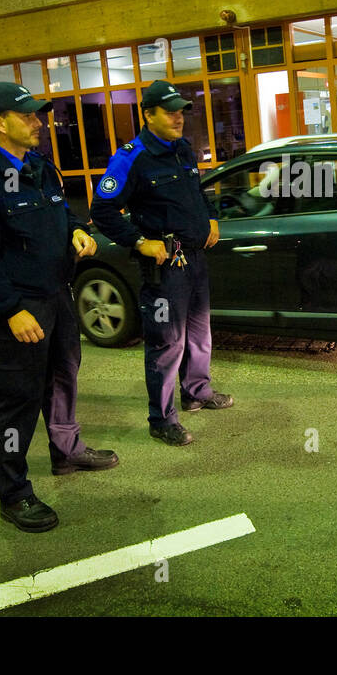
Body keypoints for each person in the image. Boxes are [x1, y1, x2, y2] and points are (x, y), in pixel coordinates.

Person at [0, 81, 118, 533]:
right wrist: (8, 309)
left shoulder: (40, 166)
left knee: (64, 377)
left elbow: (59, 212)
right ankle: (14, 494)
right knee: (17, 401)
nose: (38, 122)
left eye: (37, 114)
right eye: (27, 115)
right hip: (21, 306)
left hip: (57, 294)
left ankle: (67, 452)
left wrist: (77, 230)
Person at [89, 79, 231, 447]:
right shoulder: (131, 157)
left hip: (195, 258)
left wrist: (211, 217)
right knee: (167, 343)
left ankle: (197, 391)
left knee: (200, 334)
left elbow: (198, 191)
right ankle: (161, 419)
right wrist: (139, 242)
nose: (178, 117)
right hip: (166, 265)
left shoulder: (182, 149)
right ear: (148, 114)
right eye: (169, 111)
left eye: (181, 111)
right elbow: (103, 210)